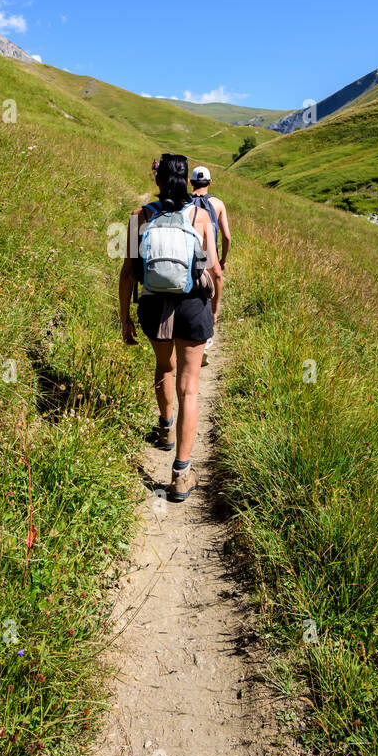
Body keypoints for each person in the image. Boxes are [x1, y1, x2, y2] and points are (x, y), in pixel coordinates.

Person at [119, 153, 223, 502]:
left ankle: (164, 432)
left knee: (164, 366)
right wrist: (213, 309)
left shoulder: (140, 216)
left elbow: (127, 272)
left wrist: (124, 318)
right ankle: (180, 475)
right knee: (189, 388)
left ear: (158, 180)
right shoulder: (200, 216)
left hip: (153, 306)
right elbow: (213, 272)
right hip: (193, 306)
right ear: (186, 181)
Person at [188, 165, 231, 365]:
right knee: (210, 295)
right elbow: (227, 237)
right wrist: (222, 260)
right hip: (209, 257)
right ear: (210, 182)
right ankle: (206, 336)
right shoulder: (218, 203)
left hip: (188, 257)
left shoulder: (185, 202)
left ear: (191, 182)